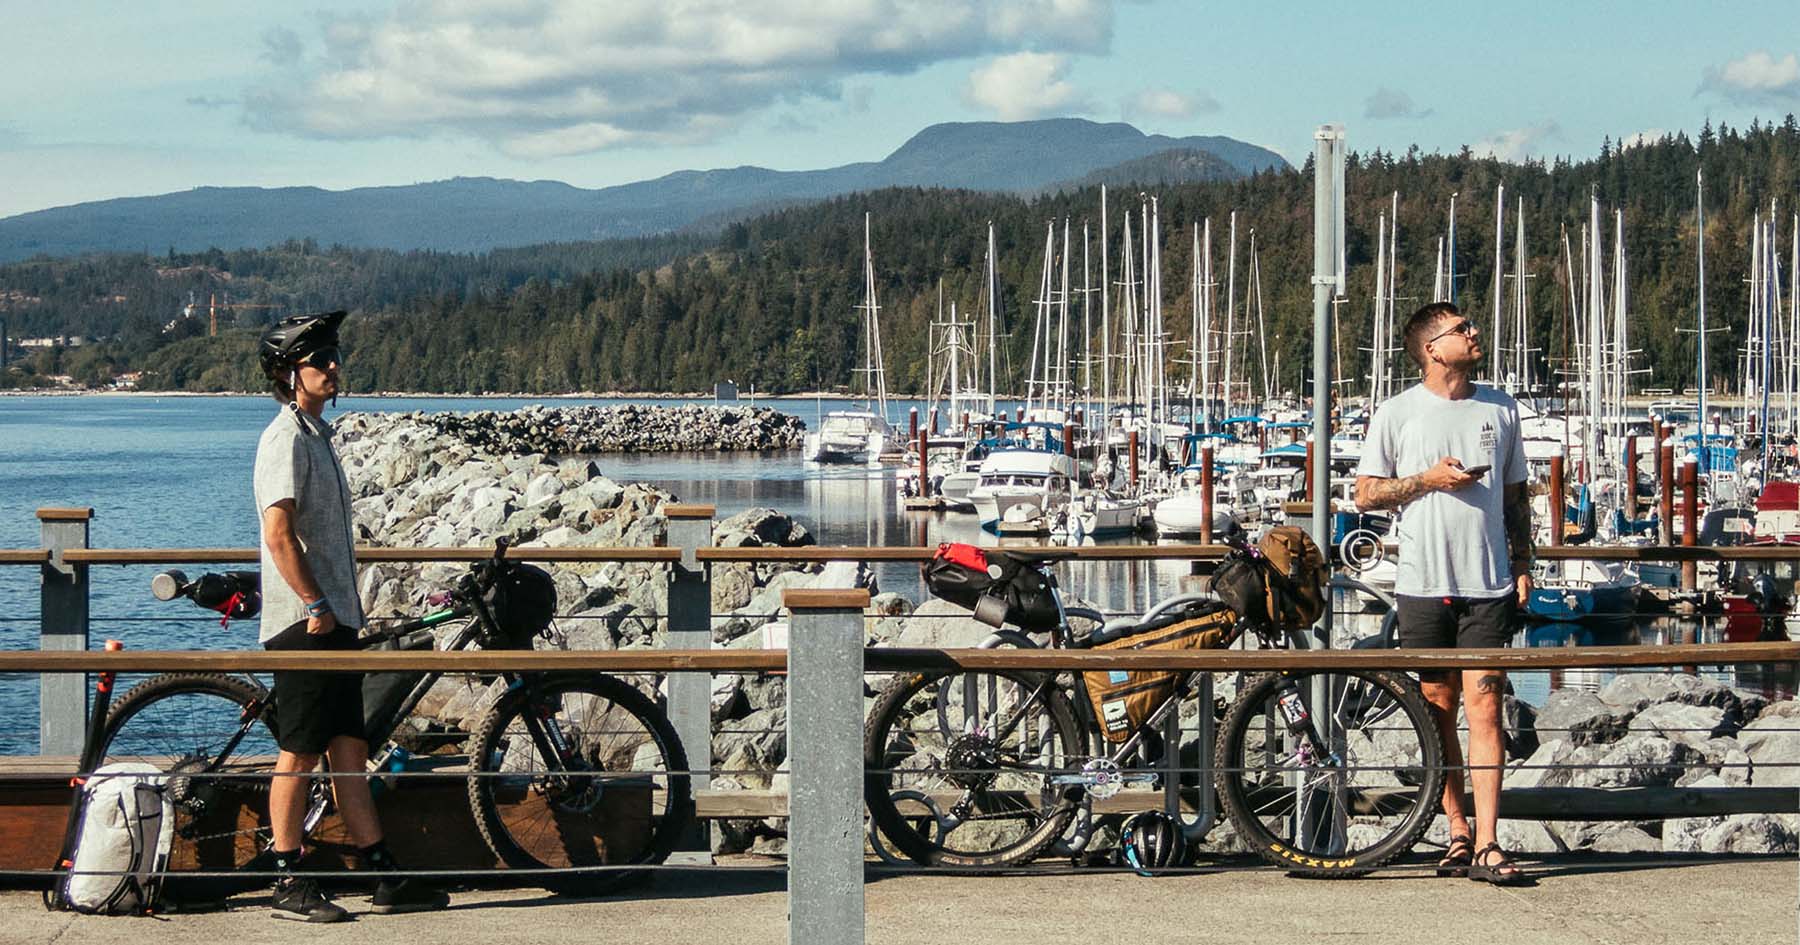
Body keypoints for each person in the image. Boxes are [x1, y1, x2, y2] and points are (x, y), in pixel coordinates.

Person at [253, 310, 448, 920]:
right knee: (300, 752)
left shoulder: (317, 434)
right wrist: (314, 604)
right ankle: (286, 877)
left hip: (336, 620)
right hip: (305, 622)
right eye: (321, 359)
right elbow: (278, 534)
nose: (334, 367)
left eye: (335, 356)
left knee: (347, 749)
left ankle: (381, 870)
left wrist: (336, 611)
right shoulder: (283, 438)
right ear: (290, 372)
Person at [1354, 301, 1534, 887]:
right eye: (1462, 329)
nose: (1474, 333)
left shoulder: (1501, 407)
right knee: (1438, 711)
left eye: (1471, 325)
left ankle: (1488, 841)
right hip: (1423, 585)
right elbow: (1365, 495)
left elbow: (1515, 496)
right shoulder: (1399, 412)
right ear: (1433, 348)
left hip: (1488, 584)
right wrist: (1426, 480)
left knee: (1485, 707)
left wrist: (1525, 561)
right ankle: (1455, 829)